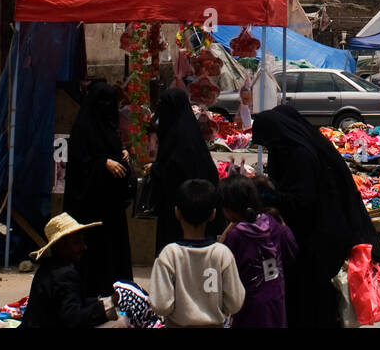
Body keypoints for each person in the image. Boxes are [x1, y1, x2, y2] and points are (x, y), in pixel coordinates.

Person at [251, 104, 380, 328]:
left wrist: (270, 197)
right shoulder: (301, 147)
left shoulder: (300, 156)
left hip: (317, 240)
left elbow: (303, 202)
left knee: (313, 302)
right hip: (320, 237)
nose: (269, 148)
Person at [63, 80, 134, 296]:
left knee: (114, 251)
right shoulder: (83, 128)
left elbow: (110, 148)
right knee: (94, 252)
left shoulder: (107, 125)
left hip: (110, 207)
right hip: (90, 208)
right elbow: (80, 165)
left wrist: (122, 155)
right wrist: (103, 163)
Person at [149, 179, 245, 327]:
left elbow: (161, 305)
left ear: (177, 212)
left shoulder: (169, 255)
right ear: (213, 214)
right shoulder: (222, 254)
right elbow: (235, 302)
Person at [148, 87, 222, 252]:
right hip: (200, 218)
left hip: (177, 217)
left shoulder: (175, 140)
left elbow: (170, 175)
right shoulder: (192, 136)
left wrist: (155, 170)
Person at [218, 175, 298, 328]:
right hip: (276, 299)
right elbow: (291, 250)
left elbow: (218, 255)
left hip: (249, 303)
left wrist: (232, 224)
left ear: (228, 210)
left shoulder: (237, 235)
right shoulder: (272, 223)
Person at [20, 213, 120, 329]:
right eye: (76, 242)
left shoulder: (48, 267)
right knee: (120, 323)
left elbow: (72, 303)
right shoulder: (65, 274)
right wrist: (109, 304)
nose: (84, 247)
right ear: (60, 245)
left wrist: (108, 301)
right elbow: (73, 319)